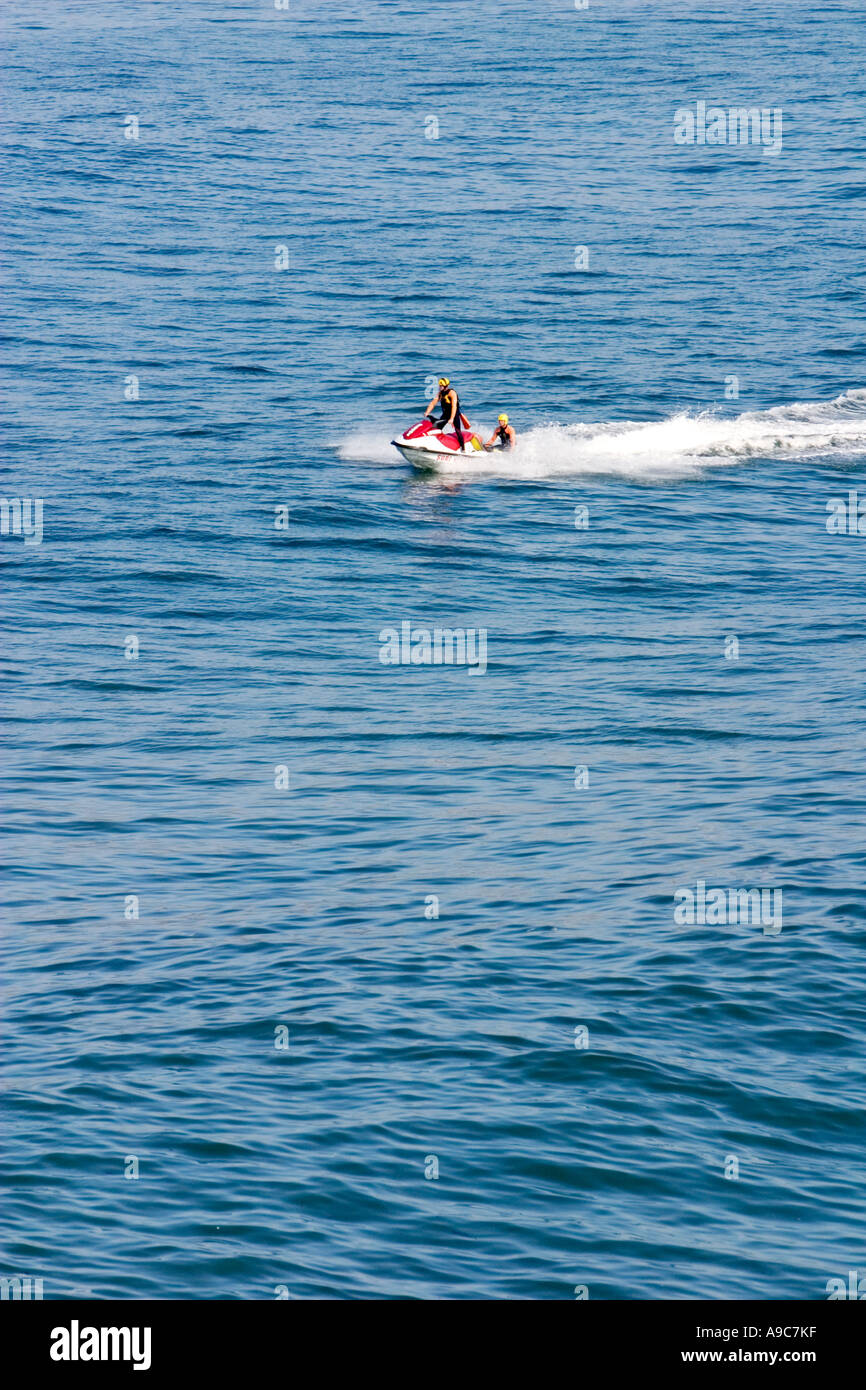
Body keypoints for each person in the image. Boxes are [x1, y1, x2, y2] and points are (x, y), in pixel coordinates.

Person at [425, 377, 467, 449]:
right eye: (439, 386)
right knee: (437, 428)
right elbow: (432, 403)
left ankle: (463, 448)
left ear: (445, 386)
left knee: (457, 430)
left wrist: (451, 418)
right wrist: (427, 412)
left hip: (454, 413)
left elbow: (454, 406)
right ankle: (435, 444)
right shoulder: (440, 393)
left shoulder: (452, 393)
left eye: (441, 386)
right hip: (446, 414)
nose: (439, 387)